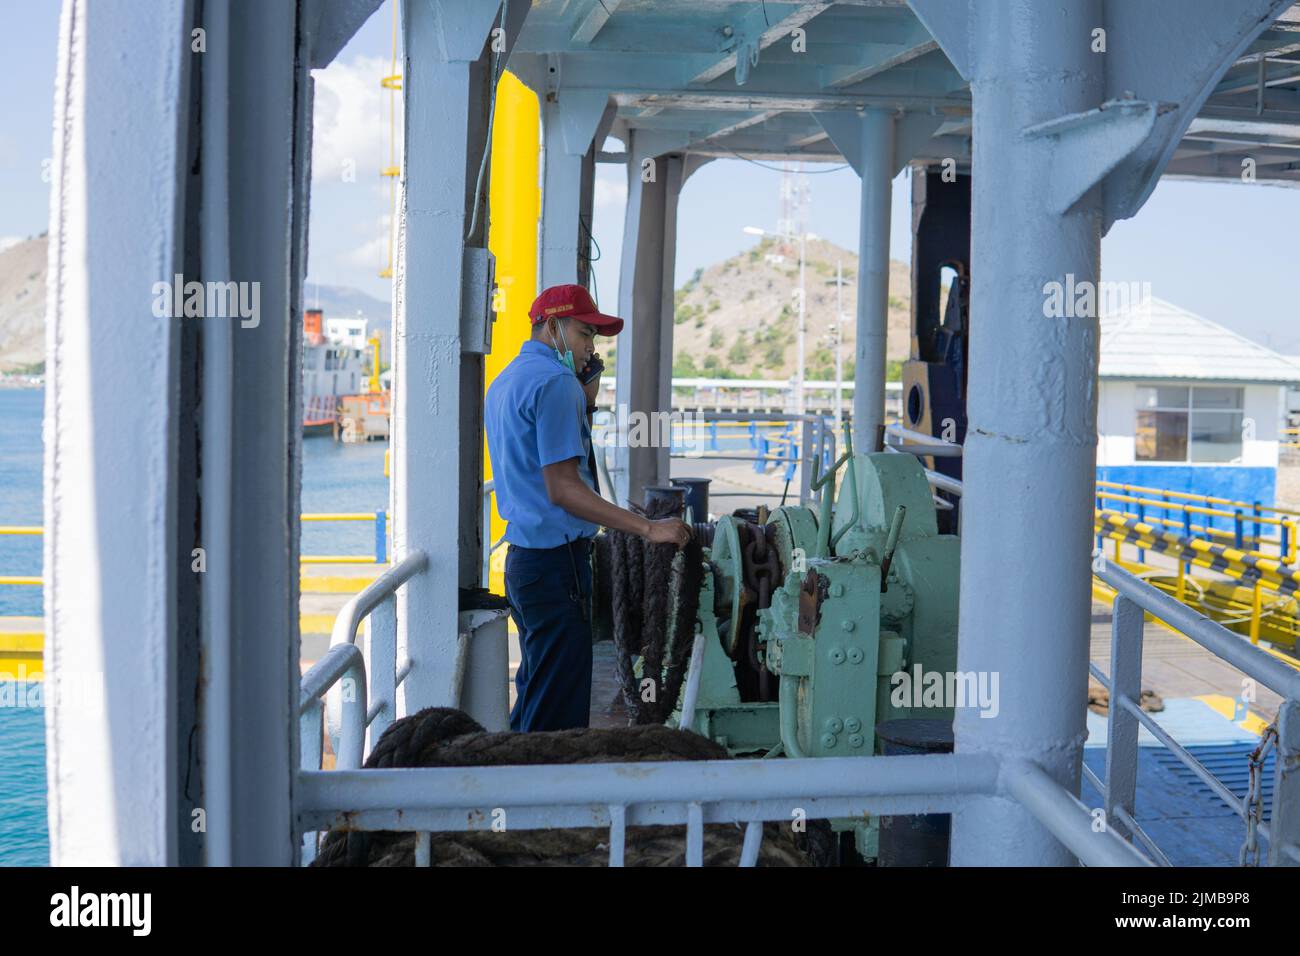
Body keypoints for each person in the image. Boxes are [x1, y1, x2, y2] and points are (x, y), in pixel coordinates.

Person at [484, 284, 691, 732]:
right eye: (583, 334)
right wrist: (648, 529)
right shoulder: (557, 385)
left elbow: (535, 468)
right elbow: (564, 489)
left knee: (539, 691)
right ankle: (543, 796)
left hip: (524, 562)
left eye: (593, 339)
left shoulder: (508, 379)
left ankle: (515, 785)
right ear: (553, 327)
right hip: (559, 567)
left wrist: (586, 402)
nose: (588, 348)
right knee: (557, 716)